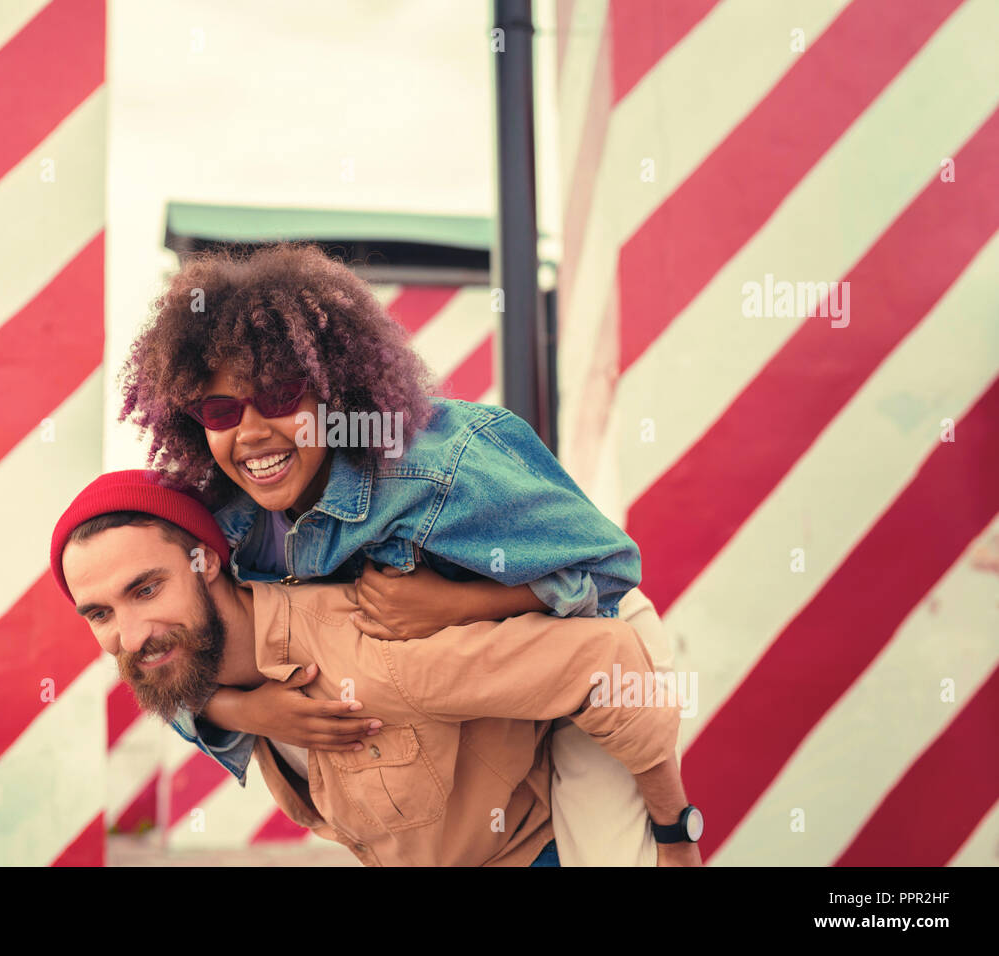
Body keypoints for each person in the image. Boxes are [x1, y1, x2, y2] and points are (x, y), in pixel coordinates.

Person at [117, 241, 688, 864]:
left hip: (597, 641)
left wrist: (456, 604)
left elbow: (609, 572)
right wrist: (247, 709)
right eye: (222, 409)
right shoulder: (226, 526)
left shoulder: (436, 469)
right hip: (494, 708)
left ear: (332, 393)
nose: (252, 432)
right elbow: (169, 658)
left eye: (280, 396)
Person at [50, 470, 701, 866]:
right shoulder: (199, 669)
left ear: (207, 562)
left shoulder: (368, 649)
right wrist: (241, 710)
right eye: (98, 614)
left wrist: (675, 831)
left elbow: (607, 661)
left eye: (145, 589)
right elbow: (179, 698)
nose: (129, 636)